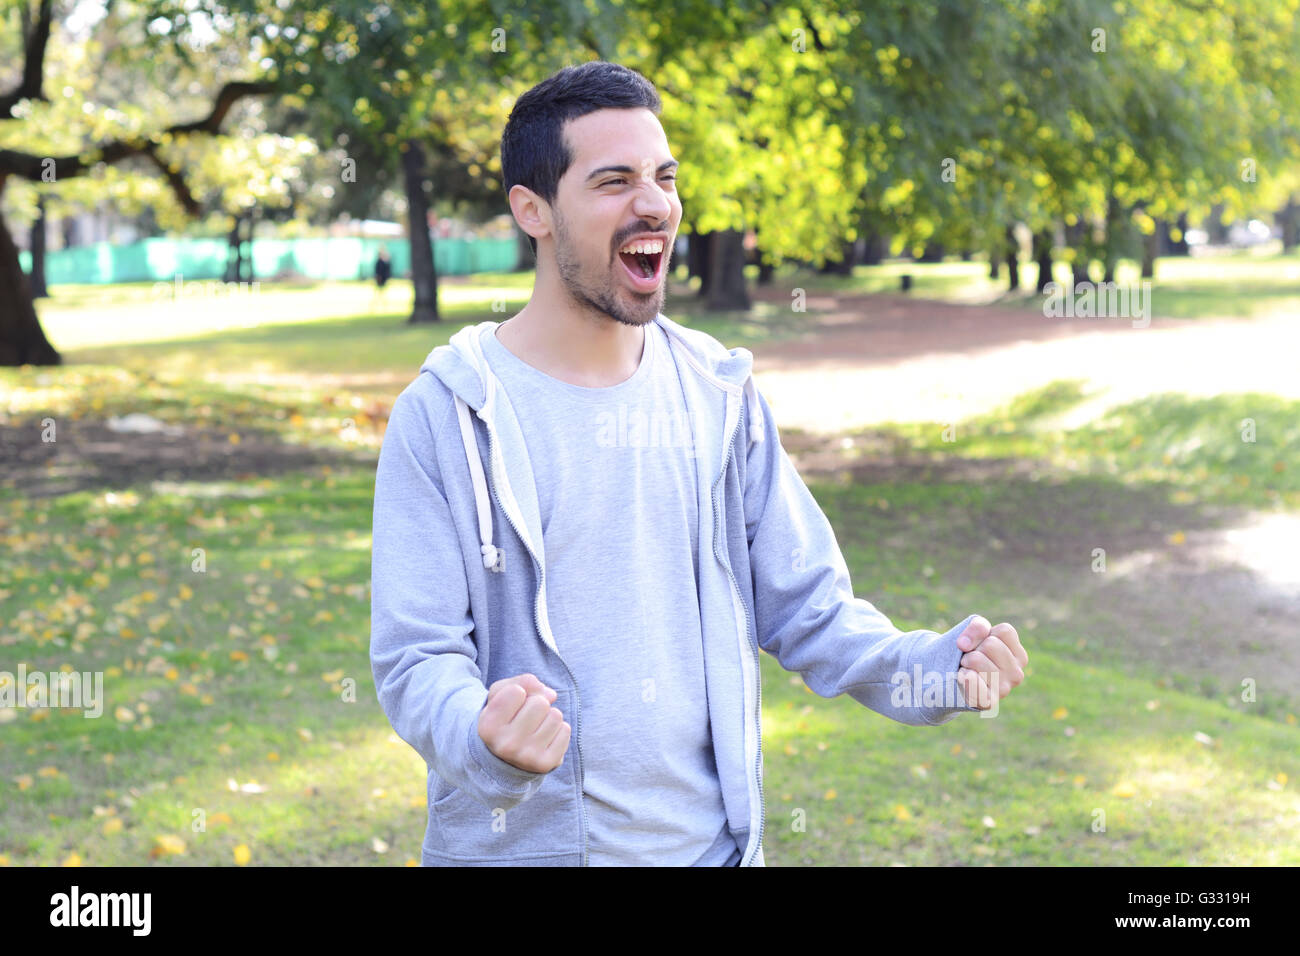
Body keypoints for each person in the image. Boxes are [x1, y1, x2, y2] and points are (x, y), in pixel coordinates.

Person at [369, 60, 1028, 868]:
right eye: (614, 181)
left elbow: (809, 608)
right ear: (532, 210)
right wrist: (483, 735)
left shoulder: (719, 395)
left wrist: (927, 670)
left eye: (664, 176)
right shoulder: (445, 414)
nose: (654, 203)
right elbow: (416, 658)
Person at [371, 244, 392, 309]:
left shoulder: (383, 262)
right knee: (379, 290)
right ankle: (377, 302)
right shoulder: (379, 262)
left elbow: (387, 269)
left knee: (381, 291)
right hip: (380, 278)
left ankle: (382, 302)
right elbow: (377, 270)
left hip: (383, 278)